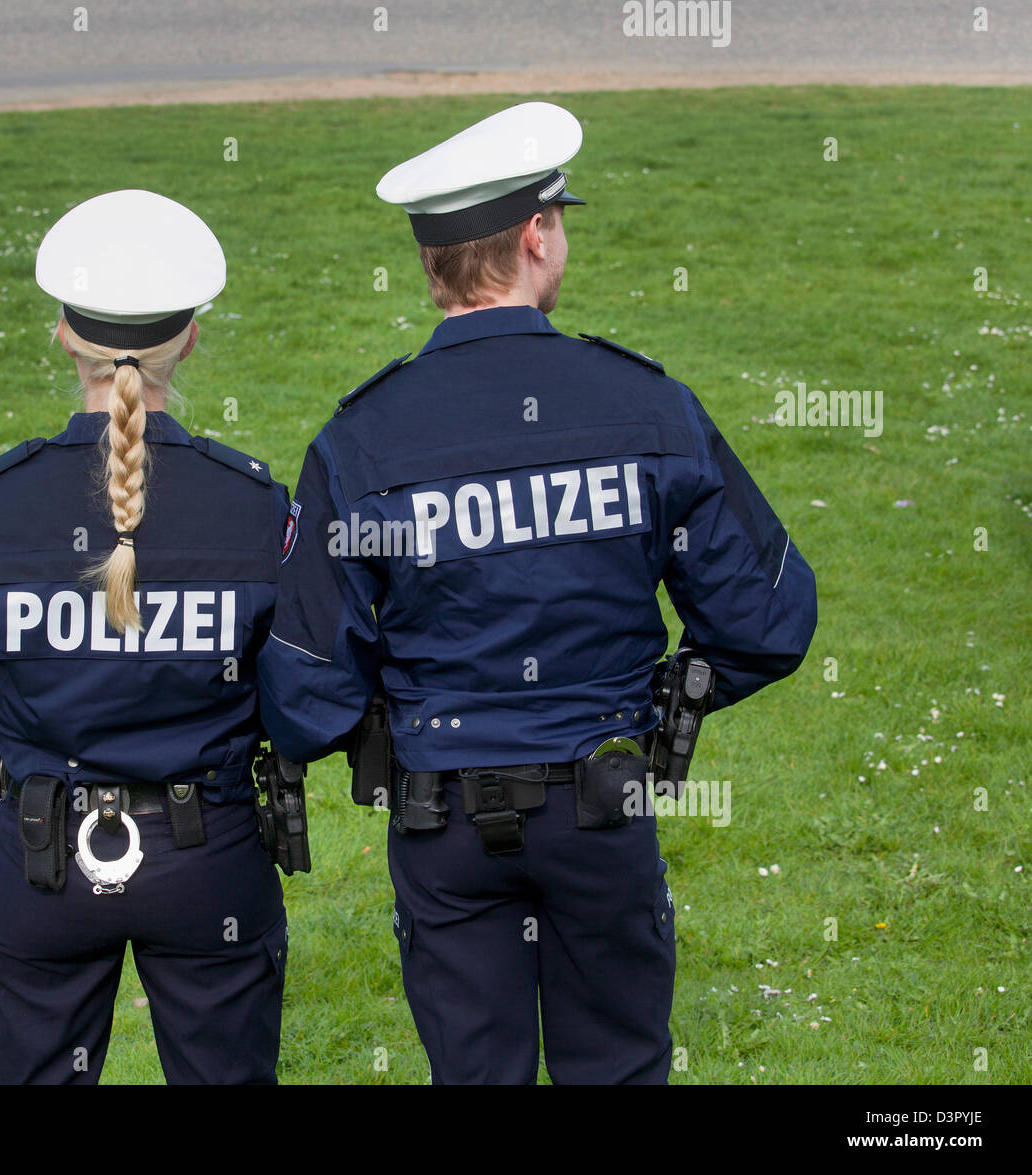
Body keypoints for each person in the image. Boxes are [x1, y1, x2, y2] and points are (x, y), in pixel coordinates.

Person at [257, 103, 818, 1084]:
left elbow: (306, 690)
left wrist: (408, 725)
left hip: (442, 819)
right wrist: (664, 697)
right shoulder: (645, 403)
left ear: (432, 265)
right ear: (535, 236)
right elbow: (766, 616)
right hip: (600, 797)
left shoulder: (360, 440)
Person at [0, 189, 291, 1085]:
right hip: (210, 858)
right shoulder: (253, 504)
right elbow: (294, 683)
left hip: (43, 858)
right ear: (190, 337)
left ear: (62, 333)